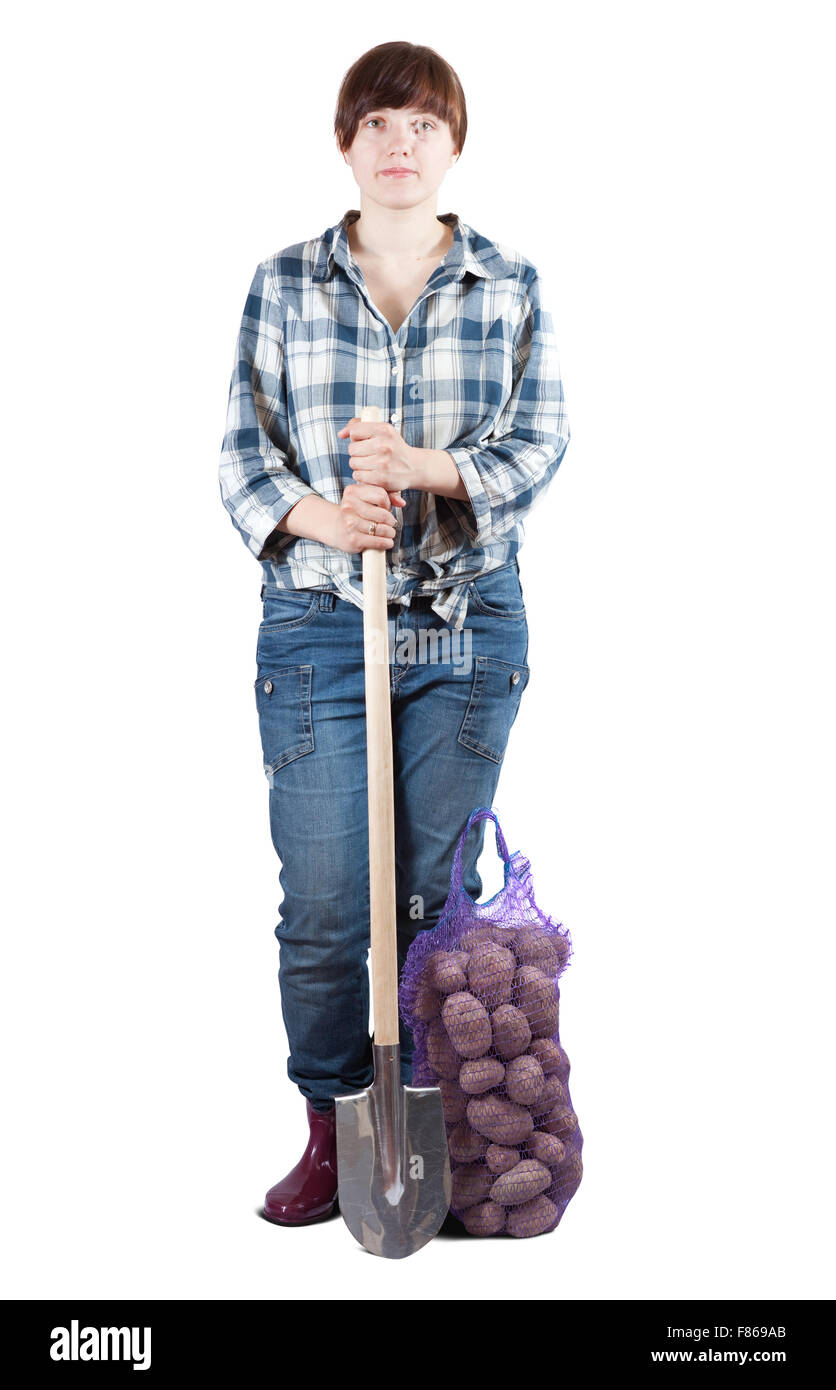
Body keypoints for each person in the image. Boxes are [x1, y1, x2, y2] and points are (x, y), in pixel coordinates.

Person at [218, 40, 570, 1226]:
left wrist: (424, 471)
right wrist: (331, 510)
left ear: (452, 144)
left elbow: (537, 448)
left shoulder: (508, 284)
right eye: (377, 122)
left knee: (430, 894)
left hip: (466, 624)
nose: (399, 143)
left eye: (422, 123)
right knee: (324, 896)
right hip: (322, 623)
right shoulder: (283, 282)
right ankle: (331, 1122)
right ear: (345, 143)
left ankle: (427, 1118)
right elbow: (240, 459)